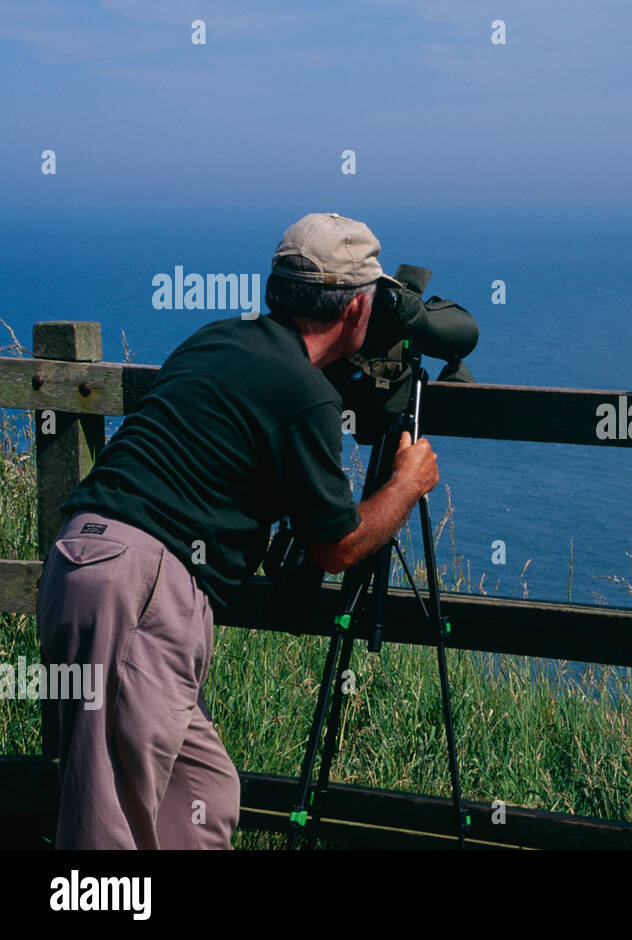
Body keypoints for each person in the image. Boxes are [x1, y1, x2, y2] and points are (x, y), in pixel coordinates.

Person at [36, 212, 440, 849]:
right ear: (359, 308)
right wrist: (408, 482)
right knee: (106, 828)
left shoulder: (220, 338)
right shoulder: (305, 393)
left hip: (93, 559)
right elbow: (336, 545)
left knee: (201, 794)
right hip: (140, 583)